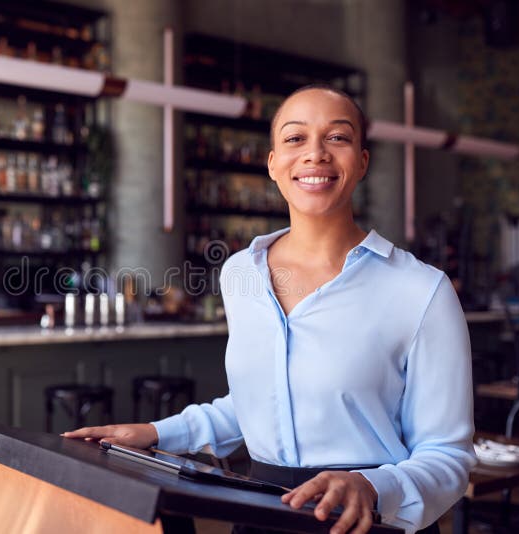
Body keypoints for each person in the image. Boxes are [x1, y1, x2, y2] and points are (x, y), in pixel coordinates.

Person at [64, 85, 476, 534]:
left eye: (337, 138)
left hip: (369, 521)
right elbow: (259, 404)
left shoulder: (422, 289)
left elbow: (449, 456)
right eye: (295, 139)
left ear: (362, 161)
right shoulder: (242, 273)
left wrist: (373, 486)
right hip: (262, 510)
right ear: (273, 163)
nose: (314, 154)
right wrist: (155, 433)